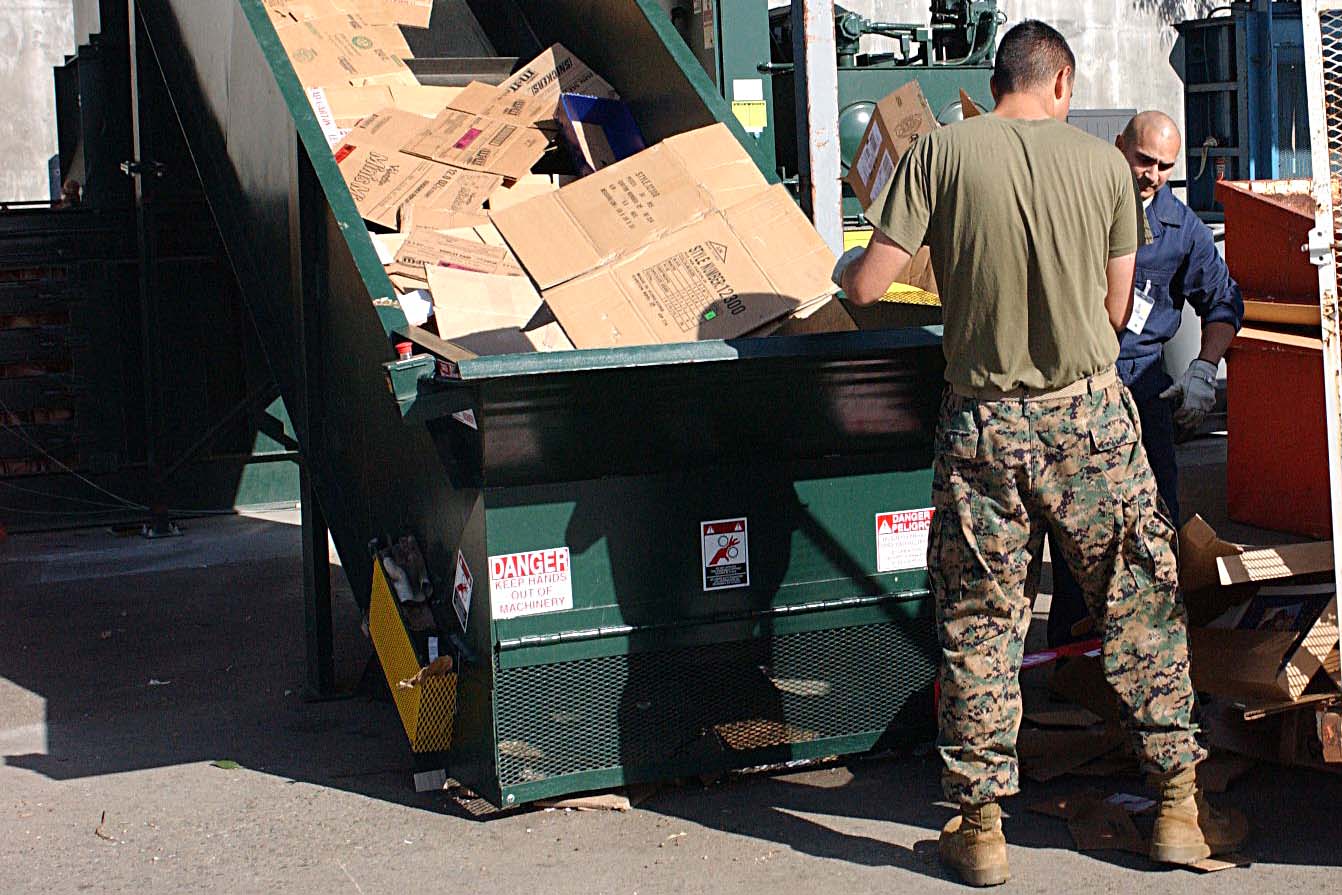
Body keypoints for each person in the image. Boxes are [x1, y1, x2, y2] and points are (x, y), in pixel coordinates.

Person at [831, 21, 1246, 887]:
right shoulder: (1104, 167)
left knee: (981, 621)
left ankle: (979, 827)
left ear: (1002, 78)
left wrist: (849, 276)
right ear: (1060, 83)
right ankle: (1176, 804)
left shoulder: (942, 155)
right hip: (1088, 416)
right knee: (1139, 601)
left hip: (982, 424)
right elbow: (1114, 305)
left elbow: (869, 285)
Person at [1046, 110, 1244, 647]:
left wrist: (1205, 367)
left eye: (1164, 166)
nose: (1151, 174)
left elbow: (1223, 301)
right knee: (1075, 521)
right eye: (1143, 160)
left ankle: (1158, 645)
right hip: (1079, 381)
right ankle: (1072, 652)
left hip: (1143, 385)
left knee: (1155, 519)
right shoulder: (1076, 208)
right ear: (1118, 148)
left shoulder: (1181, 230)